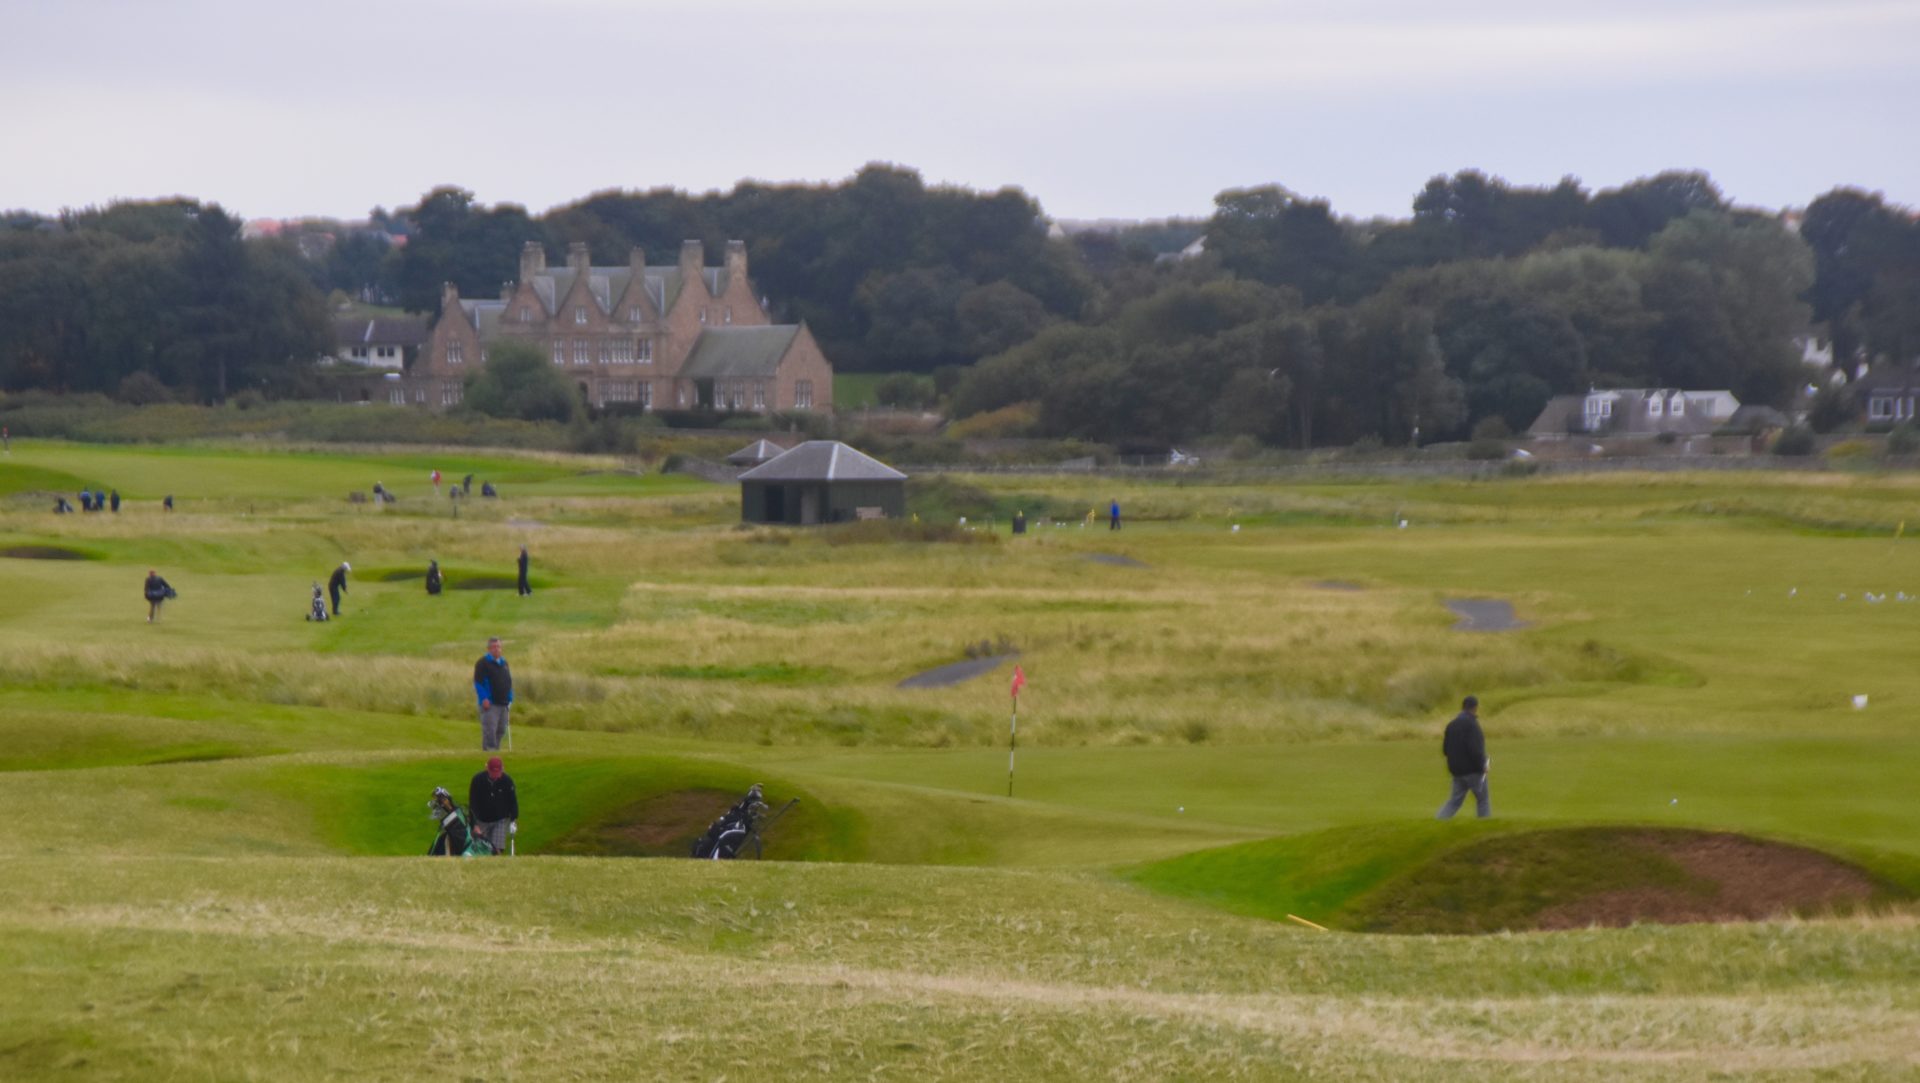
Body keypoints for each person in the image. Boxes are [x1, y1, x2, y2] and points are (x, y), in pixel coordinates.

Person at [1436, 695, 1491, 819]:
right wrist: (1483, 765)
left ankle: (1438, 822)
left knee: (1454, 802)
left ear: (1463, 707)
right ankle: (1485, 825)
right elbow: (1475, 749)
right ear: (1475, 708)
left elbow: (1445, 750)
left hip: (1456, 771)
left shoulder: (1451, 725)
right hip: (1473, 771)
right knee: (1483, 800)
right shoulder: (1472, 725)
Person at [468, 756, 519, 856]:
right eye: (493, 772)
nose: (496, 775)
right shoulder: (477, 780)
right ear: (487, 768)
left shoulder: (507, 781)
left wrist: (513, 820)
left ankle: (496, 863)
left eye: (498, 772)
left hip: (499, 820)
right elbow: (473, 803)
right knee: (480, 849)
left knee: (497, 849)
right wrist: (474, 824)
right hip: (481, 821)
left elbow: (513, 801)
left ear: (502, 769)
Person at [474, 636, 513, 751]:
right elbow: (478, 683)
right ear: (489, 649)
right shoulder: (482, 663)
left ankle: (496, 750)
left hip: (503, 703)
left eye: (498, 646)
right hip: (490, 703)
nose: (496, 649)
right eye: (494, 647)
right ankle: (489, 751)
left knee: (501, 730)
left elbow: (508, 681)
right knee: (490, 729)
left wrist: (510, 697)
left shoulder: (504, 663)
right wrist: (484, 698)